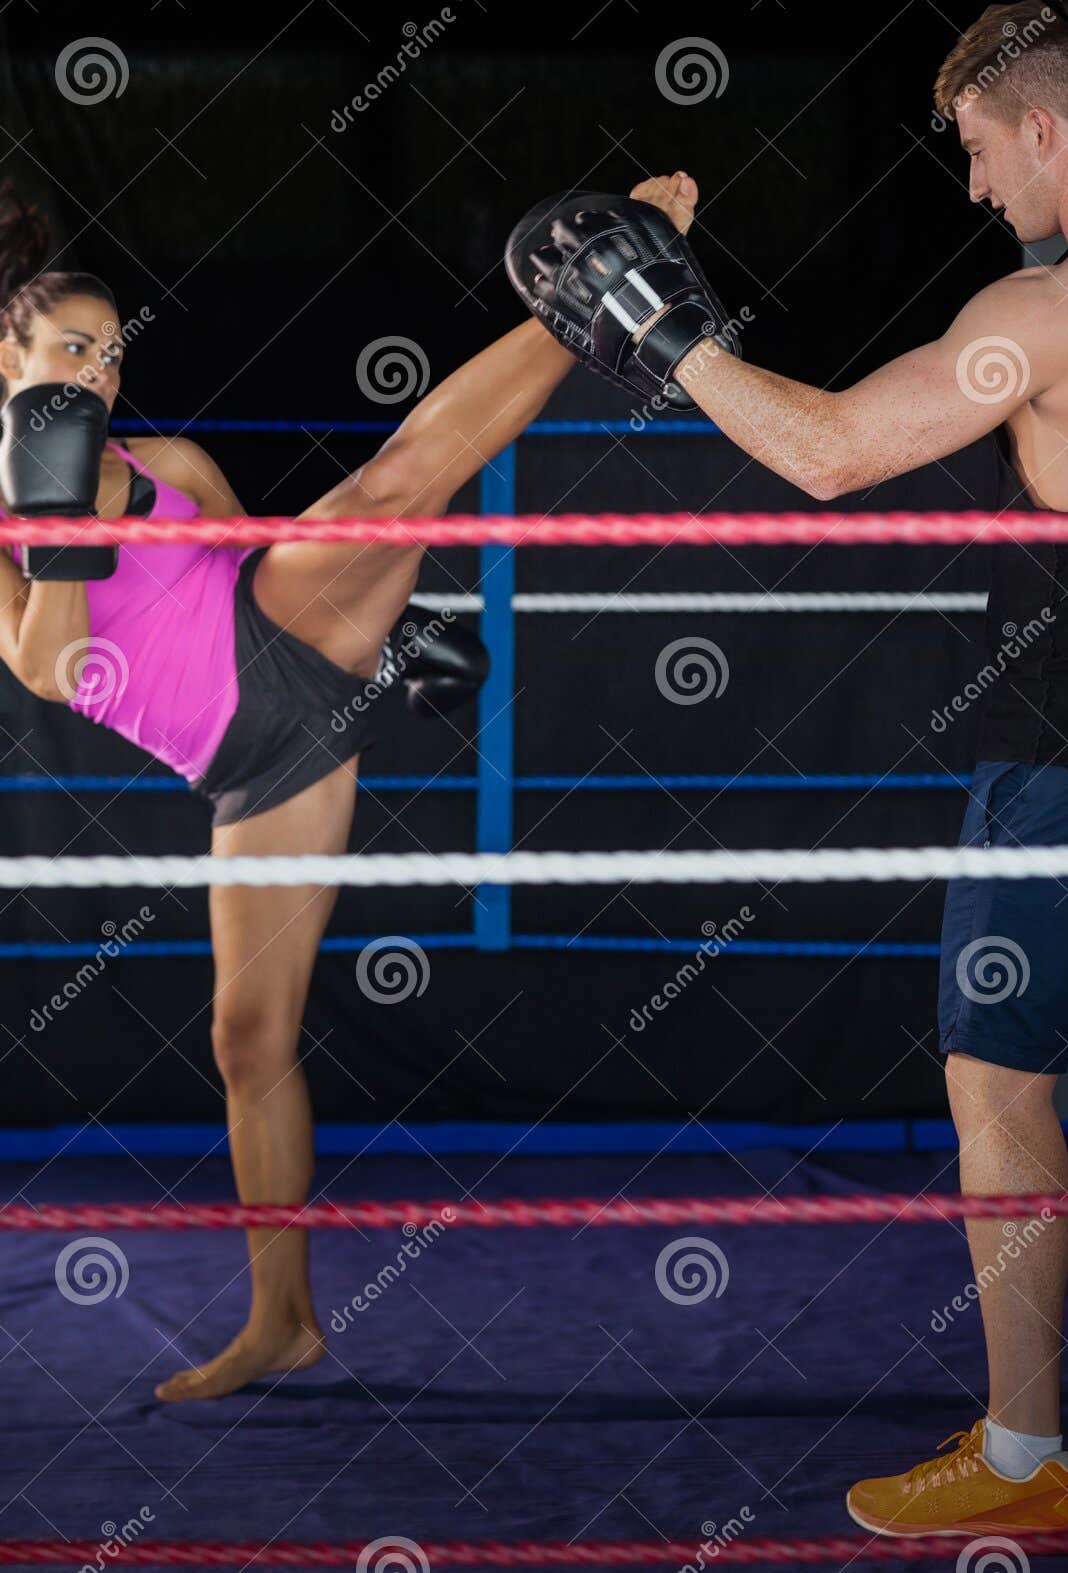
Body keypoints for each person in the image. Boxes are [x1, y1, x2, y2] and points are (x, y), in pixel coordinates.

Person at [508, 6, 1068, 1536]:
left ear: (1043, 128)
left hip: (1061, 763)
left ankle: (1023, 1461)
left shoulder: (1048, 316)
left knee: (998, 1079)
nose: (972, 188)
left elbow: (827, 453)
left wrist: (671, 332)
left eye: (975, 149)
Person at [0, 172, 697, 1401]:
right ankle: (285, 1321)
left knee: (391, 485)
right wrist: (54, 520)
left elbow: (261, 571)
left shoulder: (169, 462)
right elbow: (53, 670)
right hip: (256, 768)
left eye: (108, 355)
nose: (96, 377)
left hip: (282, 652)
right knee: (246, 1037)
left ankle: (591, 290)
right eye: (68, 351)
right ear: (8, 360)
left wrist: (378, 624)